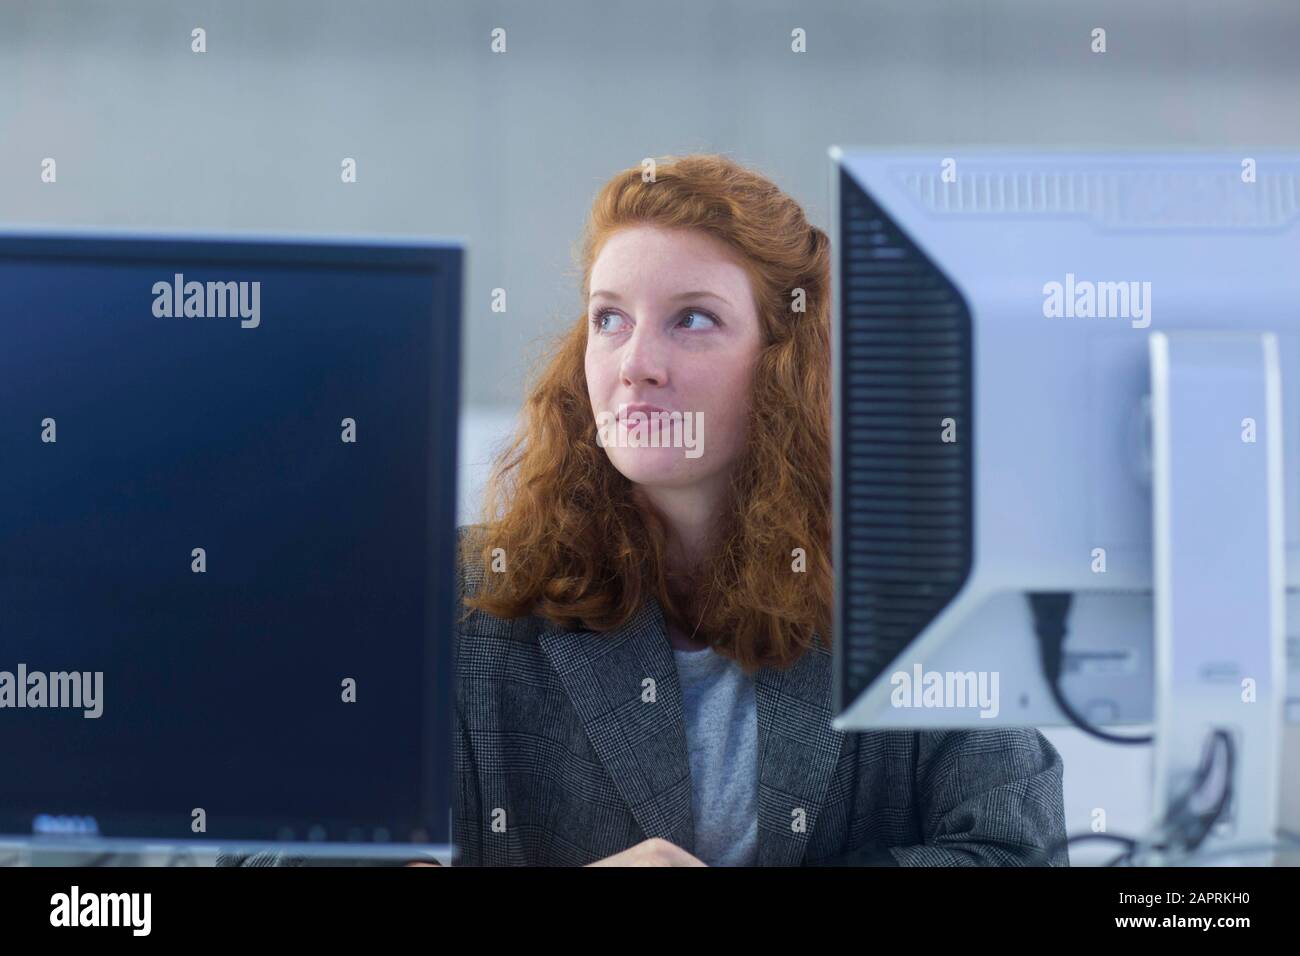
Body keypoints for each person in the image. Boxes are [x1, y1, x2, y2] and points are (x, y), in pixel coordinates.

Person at [219, 153, 1068, 868]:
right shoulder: (450, 594)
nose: (635, 364)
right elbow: (264, 856)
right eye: (609, 320)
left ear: (786, 366)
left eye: (692, 320)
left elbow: (1017, 852)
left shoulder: (924, 600)